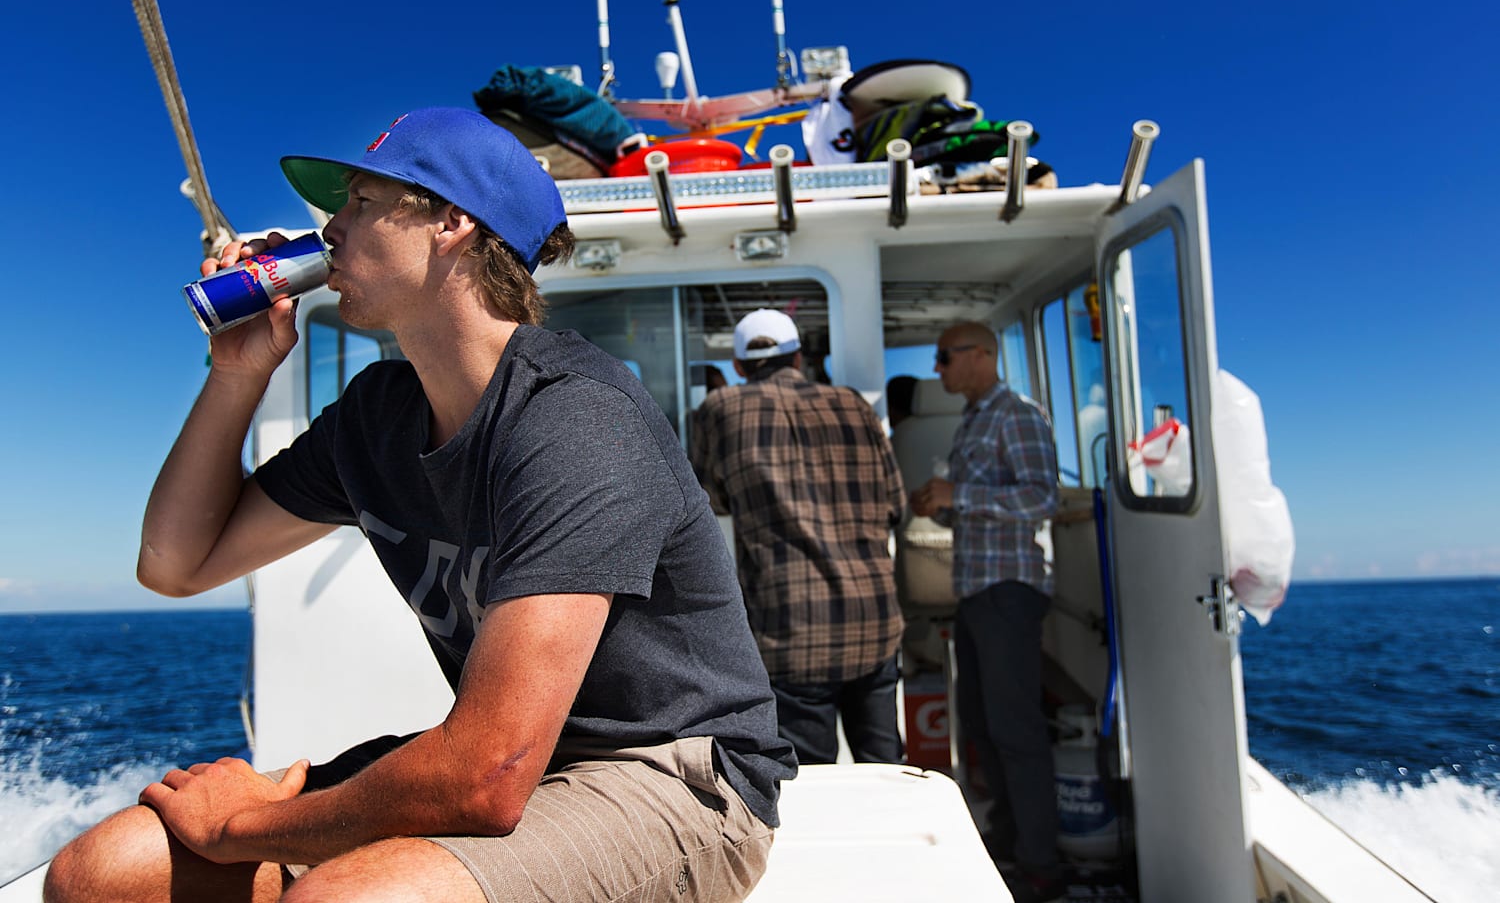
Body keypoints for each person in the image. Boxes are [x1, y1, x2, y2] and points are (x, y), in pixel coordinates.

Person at [44, 107, 796, 903]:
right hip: (513, 762)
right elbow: (175, 565)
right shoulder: (375, 418)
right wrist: (237, 378)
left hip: (674, 774)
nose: (331, 229)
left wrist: (239, 828)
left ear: (452, 223)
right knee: (100, 876)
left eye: (361, 203)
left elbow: (487, 776)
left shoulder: (577, 417)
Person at [690, 309, 907, 766]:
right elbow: (895, 506)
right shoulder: (854, 404)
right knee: (885, 770)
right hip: (874, 620)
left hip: (791, 629)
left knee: (809, 783)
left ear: (740, 366)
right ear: (798, 359)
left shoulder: (721, 409)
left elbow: (713, 498)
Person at [909, 320, 1064, 901]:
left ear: (981, 355)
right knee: (980, 725)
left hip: (1007, 591)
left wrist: (959, 496)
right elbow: (979, 507)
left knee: (1015, 729)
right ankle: (1003, 841)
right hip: (976, 592)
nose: (939, 368)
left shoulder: (1016, 413)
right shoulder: (974, 420)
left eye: (946, 357)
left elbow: (1040, 497)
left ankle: (1041, 865)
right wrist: (939, 505)